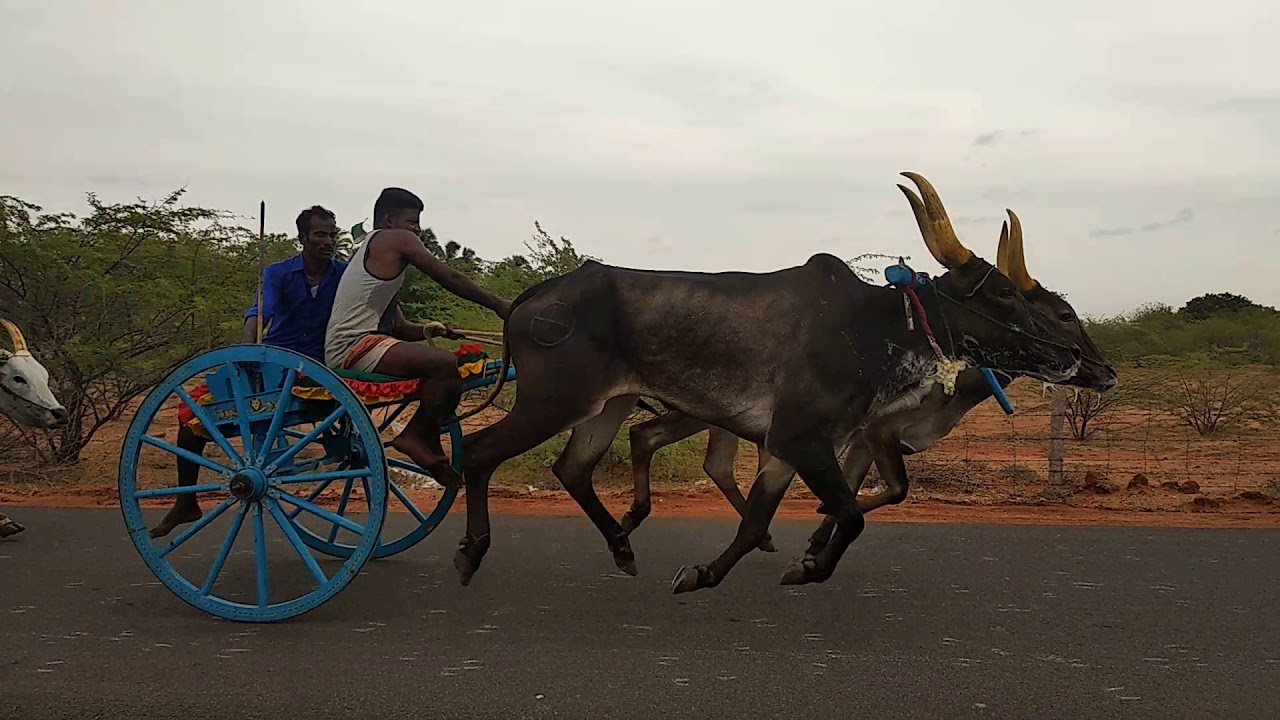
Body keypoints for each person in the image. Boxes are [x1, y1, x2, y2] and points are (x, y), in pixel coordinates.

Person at [149, 205, 348, 539]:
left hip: (320, 365)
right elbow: (259, 312)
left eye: (332, 234)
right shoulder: (278, 273)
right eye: (319, 235)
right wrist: (247, 352)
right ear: (303, 238)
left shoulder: (343, 274)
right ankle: (186, 500)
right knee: (191, 414)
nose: (327, 241)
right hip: (274, 359)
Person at [325, 187, 510, 487]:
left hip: (365, 344)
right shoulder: (393, 239)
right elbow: (448, 276)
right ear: (387, 219)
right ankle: (416, 437)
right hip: (355, 347)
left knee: (443, 363)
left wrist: (427, 330)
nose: (418, 231)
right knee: (442, 364)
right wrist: (499, 304)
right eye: (412, 222)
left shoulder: (375, 256)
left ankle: (422, 437)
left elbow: (397, 327)